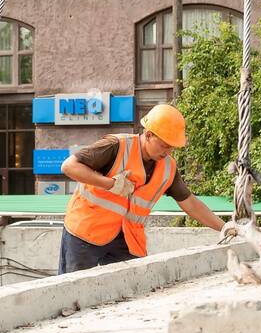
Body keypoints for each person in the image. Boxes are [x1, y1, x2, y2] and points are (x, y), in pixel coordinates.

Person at [58, 103, 229, 274]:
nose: (168, 152)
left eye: (172, 147)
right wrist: (110, 184)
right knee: (72, 295)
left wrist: (225, 228)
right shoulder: (116, 146)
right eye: (164, 145)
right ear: (148, 135)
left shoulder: (168, 168)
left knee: (133, 291)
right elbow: (69, 166)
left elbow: (190, 203)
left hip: (127, 240)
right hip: (85, 231)